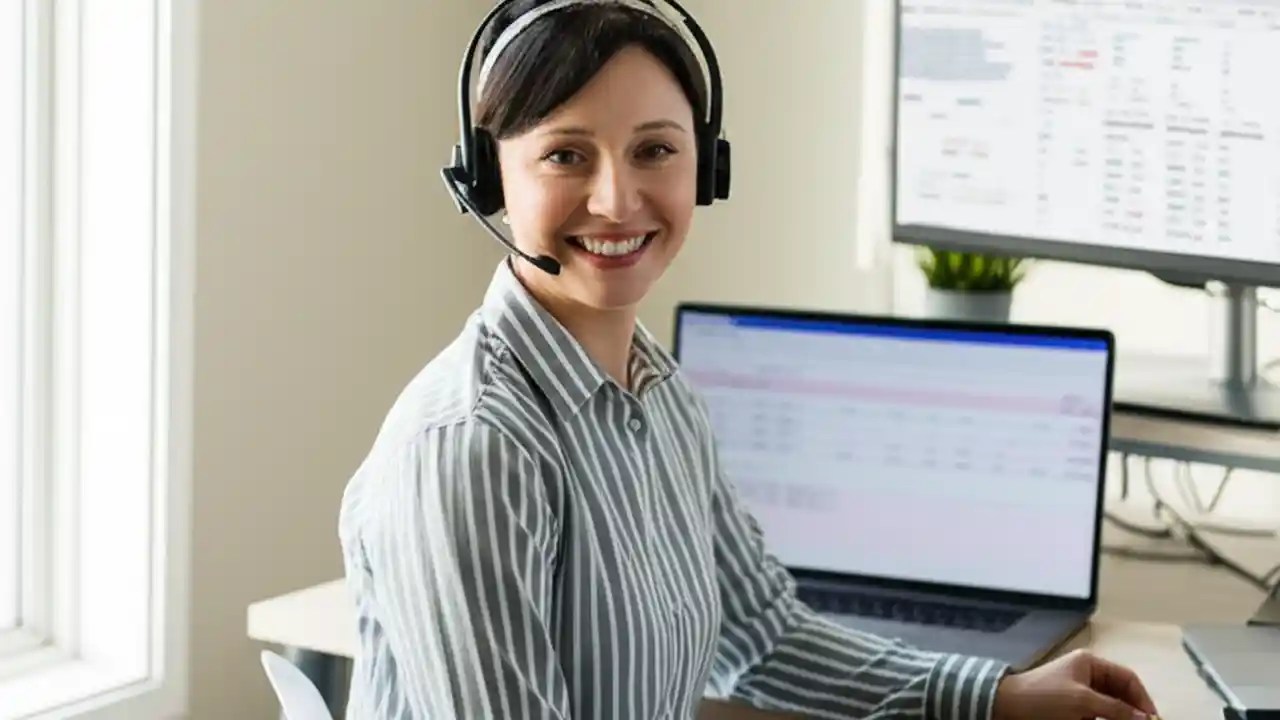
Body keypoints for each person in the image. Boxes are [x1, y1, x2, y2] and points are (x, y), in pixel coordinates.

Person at [337, 1, 1163, 718]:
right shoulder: (473, 448)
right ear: (490, 179)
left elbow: (762, 636)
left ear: (708, 168)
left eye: (655, 150)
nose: (617, 200)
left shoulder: (658, 393)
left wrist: (994, 697)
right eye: (565, 155)